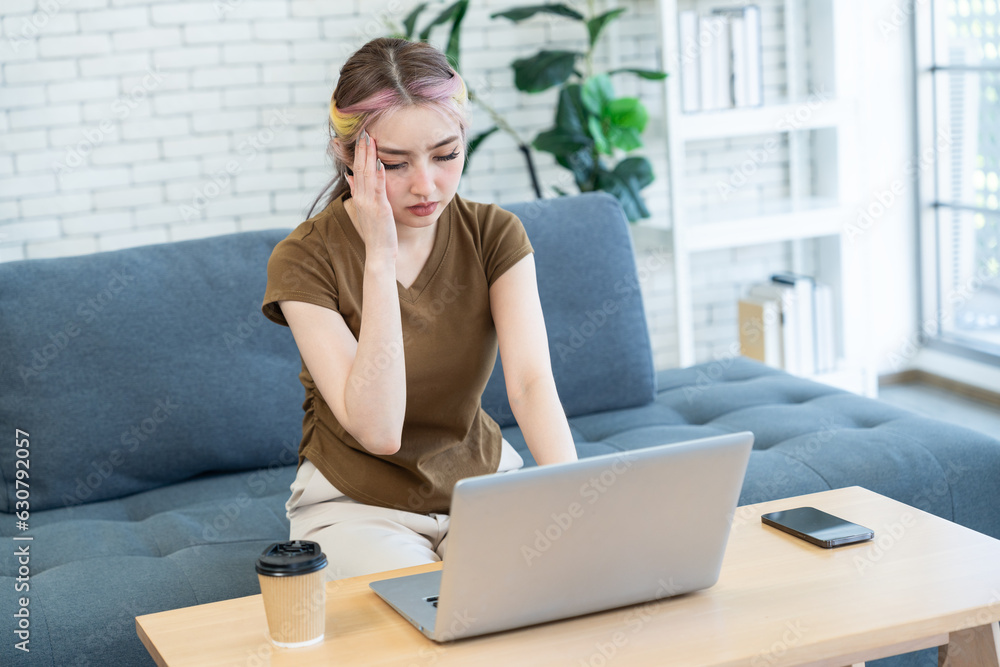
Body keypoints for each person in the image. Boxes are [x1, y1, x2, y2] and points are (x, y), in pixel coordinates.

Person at [260, 37, 578, 580]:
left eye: (446, 154)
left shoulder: (494, 234)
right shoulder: (305, 258)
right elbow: (378, 430)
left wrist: (579, 503)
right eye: (394, 163)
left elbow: (529, 385)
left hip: (482, 487)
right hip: (355, 506)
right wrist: (379, 259)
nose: (427, 185)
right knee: (425, 617)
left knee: (525, 593)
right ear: (348, 156)